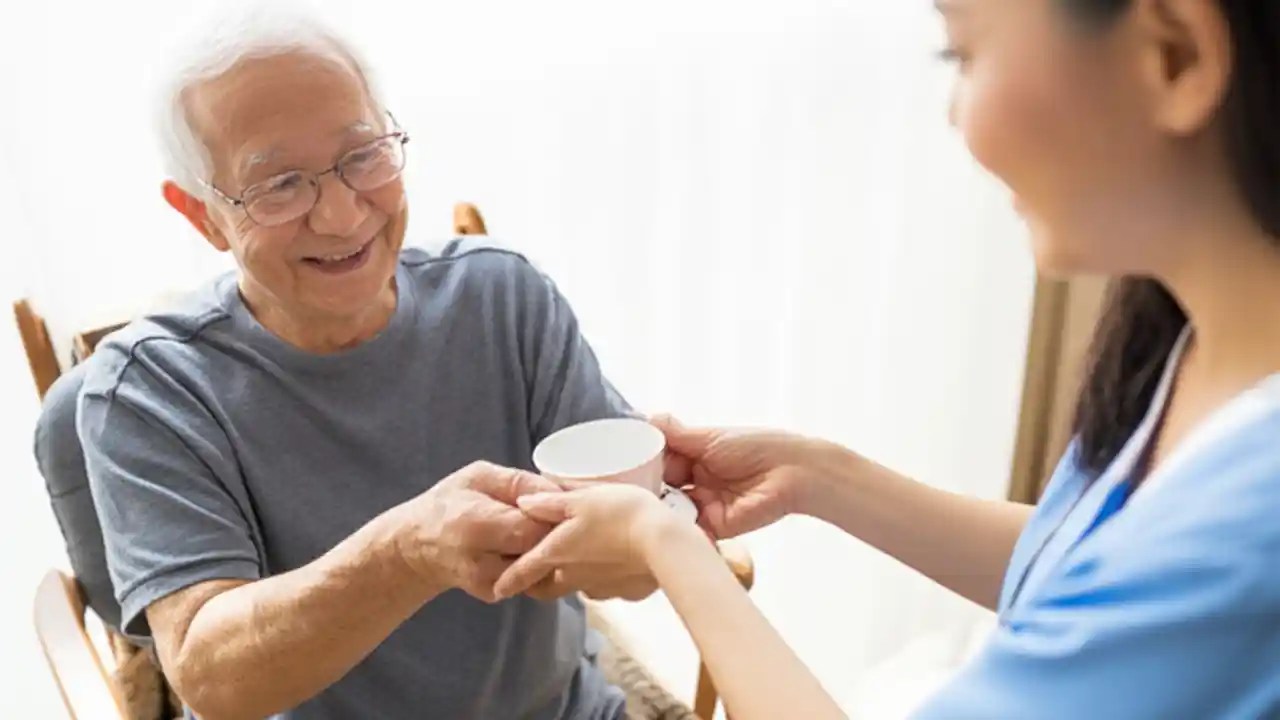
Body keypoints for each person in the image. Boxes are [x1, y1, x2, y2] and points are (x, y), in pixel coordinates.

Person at [492, 1, 1280, 717]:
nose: (954, 116)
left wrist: (667, 547)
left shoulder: (1249, 524)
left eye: (962, 55)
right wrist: (820, 477)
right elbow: (1093, 578)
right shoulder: (1197, 348)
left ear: (1174, 56)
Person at [72, 10, 645, 720]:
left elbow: (637, 556)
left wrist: (646, 531)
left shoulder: (501, 295)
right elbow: (212, 680)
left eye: (363, 154)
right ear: (202, 215)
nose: (342, 216)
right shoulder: (147, 390)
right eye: (279, 184)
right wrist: (407, 553)